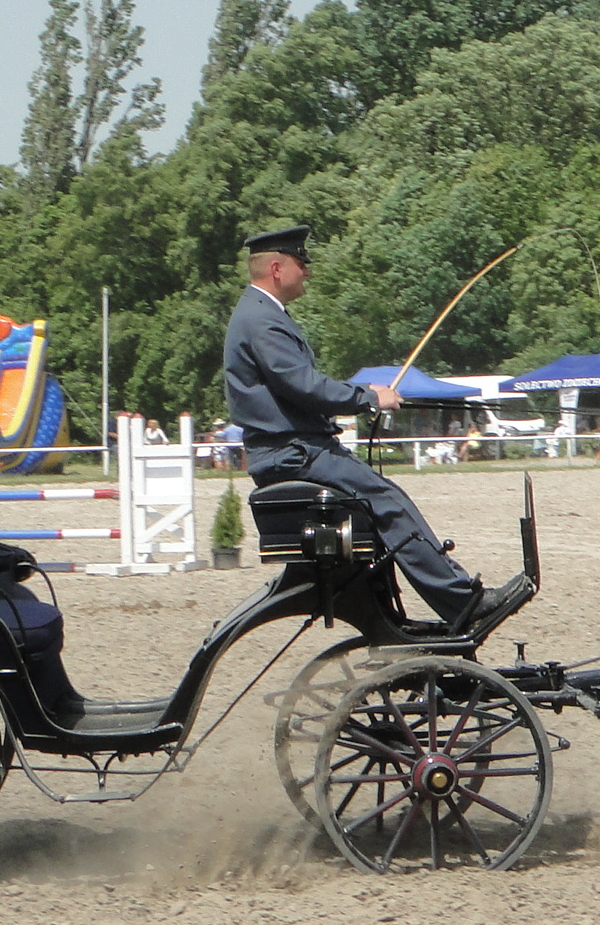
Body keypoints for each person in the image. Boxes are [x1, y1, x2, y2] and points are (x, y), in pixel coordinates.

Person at [223, 226, 526, 631]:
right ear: (277, 268)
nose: (307, 272)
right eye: (302, 263)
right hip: (293, 453)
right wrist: (368, 397)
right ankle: (461, 603)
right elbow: (303, 385)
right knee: (385, 499)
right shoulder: (261, 318)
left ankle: (404, 611)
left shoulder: (260, 315)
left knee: (384, 498)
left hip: (297, 448)